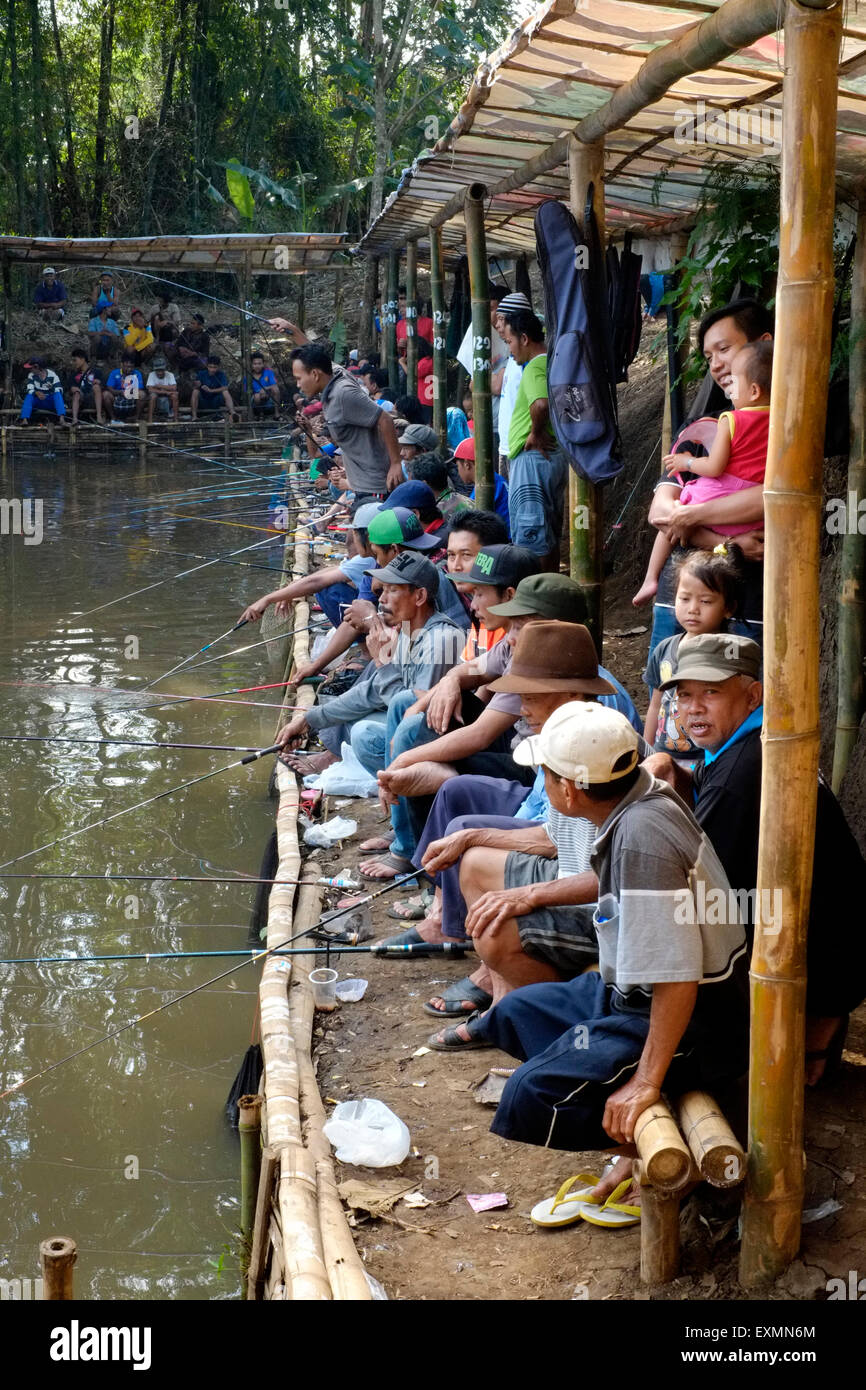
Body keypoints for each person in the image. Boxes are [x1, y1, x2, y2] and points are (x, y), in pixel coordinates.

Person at [469, 702, 750, 1179]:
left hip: (695, 1019)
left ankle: (664, 1151)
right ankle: (608, 1075)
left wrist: (646, 1079)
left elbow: (677, 978)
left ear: (572, 790)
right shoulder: (641, 794)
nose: (544, 779)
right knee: (512, 1014)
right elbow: (608, 879)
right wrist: (530, 894)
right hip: (635, 992)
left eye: (547, 773)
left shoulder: (642, 839)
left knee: (529, 1096)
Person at [647, 633, 866, 1087]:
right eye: (684, 695)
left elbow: (699, 881)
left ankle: (793, 1044)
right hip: (829, 939)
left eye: (711, 691)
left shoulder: (740, 769)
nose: (693, 708)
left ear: (753, 695)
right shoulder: (759, 738)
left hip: (816, 956)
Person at [358, 544, 540, 880]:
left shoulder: (533, 645)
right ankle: (406, 840)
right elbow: (474, 668)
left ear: (510, 594)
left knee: (419, 750)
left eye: (480, 593)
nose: (471, 603)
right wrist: (452, 680)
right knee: (405, 710)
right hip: (514, 750)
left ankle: (425, 870)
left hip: (533, 769)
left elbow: (479, 734)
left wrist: (403, 760)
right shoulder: (514, 634)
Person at [645, 297, 773, 652]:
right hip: (683, 601)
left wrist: (692, 517)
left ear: (762, 345)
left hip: (753, 604)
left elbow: (771, 495)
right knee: (671, 691)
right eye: (708, 356)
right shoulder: (703, 428)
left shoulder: (786, 428)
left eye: (724, 349)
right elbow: (661, 512)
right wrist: (728, 545)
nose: (716, 365)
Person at [275, 552, 464, 781]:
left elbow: (414, 716)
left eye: (392, 590)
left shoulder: (441, 640)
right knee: (346, 712)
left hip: (433, 741)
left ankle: (402, 783)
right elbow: (370, 692)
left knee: (363, 734)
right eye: (382, 590)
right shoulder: (408, 629)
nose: (382, 600)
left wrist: (383, 664)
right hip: (407, 726)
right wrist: (309, 720)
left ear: (420, 596)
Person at [285, 509, 508, 695]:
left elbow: (452, 653)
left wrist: (374, 623)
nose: (456, 566)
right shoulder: (446, 578)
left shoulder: (437, 578)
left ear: (395, 550)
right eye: (452, 555)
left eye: (466, 556)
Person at [643, 547, 744, 764]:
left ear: (728, 608)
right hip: (664, 756)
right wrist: (647, 752)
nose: (693, 609)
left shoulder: (731, 653)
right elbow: (655, 705)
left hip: (708, 759)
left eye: (705, 601)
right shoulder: (664, 649)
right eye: (685, 598)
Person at [240, 500, 380, 633]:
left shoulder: (367, 559)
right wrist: (293, 589)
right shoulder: (368, 557)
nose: (350, 537)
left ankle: (364, 649)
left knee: (328, 589)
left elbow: (318, 582)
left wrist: (267, 599)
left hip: (375, 618)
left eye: (353, 532)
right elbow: (330, 572)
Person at [290, 344, 402, 505]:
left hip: (375, 486)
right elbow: (317, 355)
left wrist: (396, 463)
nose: (298, 385)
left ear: (315, 374)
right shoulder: (334, 373)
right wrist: (292, 331)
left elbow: (385, 419)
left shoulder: (343, 393)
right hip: (361, 484)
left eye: (299, 378)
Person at [500, 306, 566, 568]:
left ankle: (533, 597)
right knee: (545, 532)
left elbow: (540, 404)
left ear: (524, 339)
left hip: (533, 460)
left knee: (532, 535)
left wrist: (535, 433)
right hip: (545, 459)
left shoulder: (534, 367)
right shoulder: (552, 363)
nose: (510, 349)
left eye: (510, 341)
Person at [494, 291, 532, 476]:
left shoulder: (527, 360)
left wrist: (535, 433)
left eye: (501, 319)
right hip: (508, 445)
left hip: (520, 447)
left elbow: (539, 403)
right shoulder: (513, 355)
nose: (497, 324)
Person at [450, 437, 510, 530]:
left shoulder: (484, 487)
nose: (458, 471)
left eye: (457, 466)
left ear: (467, 464)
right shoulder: (496, 479)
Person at [408, 452, 465, 521]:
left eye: (411, 484)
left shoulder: (436, 517)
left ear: (423, 485)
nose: (408, 488)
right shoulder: (468, 501)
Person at [19, 359, 67, 425]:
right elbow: (29, 389)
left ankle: (62, 419)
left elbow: (60, 390)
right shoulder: (31, 375)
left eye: (31, 368)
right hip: (38, 402)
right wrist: (36, 393)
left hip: (50, 402)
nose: (30, 370)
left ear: (37, 367)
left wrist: (52, 388)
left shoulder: (52, 375)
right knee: (29, 396)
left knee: (57, 394)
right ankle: (24, 419)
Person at [103, 355, 145, 423]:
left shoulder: (137, 373)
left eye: (131, 367)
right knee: (106, 394)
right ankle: (113, 417)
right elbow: (109, 388)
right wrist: (120, 392)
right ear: (121, 365)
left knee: (142, 394)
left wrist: (129, 392)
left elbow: (139, 389)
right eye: (127, 367)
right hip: (117, 397)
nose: (129, 369)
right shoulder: (114, 373)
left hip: (131, 397)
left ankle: (136, 417)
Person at [67, 350, 104, 426]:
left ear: (82, 359)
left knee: (96, 387)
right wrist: (73, 389)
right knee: (76, 393)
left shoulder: (96, 372)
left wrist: (99, 382)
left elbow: (104, 386)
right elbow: (70, 388)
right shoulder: (74, 374)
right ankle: (74, 419)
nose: (73, 363)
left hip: (92, 400)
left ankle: (99, 416)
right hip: (79, 400)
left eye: (75, 360)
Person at [191, 355, 234, 419]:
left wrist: (210, 390)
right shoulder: (201, 373)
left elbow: (225, 387)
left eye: (215, 367)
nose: (212, 369)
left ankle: (233, 413)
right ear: (207, 366)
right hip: (203, 401)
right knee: (195, 391)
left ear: (219, 367)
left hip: (215, 401)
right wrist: (196, 384)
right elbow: (195, 386)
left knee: (225, 392)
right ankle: (194, 416)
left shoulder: (221, 374)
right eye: (210, 367)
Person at [145, 356, 179, 421]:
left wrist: (159, 386)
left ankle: (176, 418)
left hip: (167, 395)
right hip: (159, 394)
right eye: (157, 370)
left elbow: (174, 388)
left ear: (164, 369)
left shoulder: (170, 374)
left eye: (161, 370)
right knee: (152, 396)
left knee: (175, 395)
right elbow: (150, 389)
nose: (159, 372)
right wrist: (166, 391)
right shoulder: (151, 374)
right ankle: (150, 419)